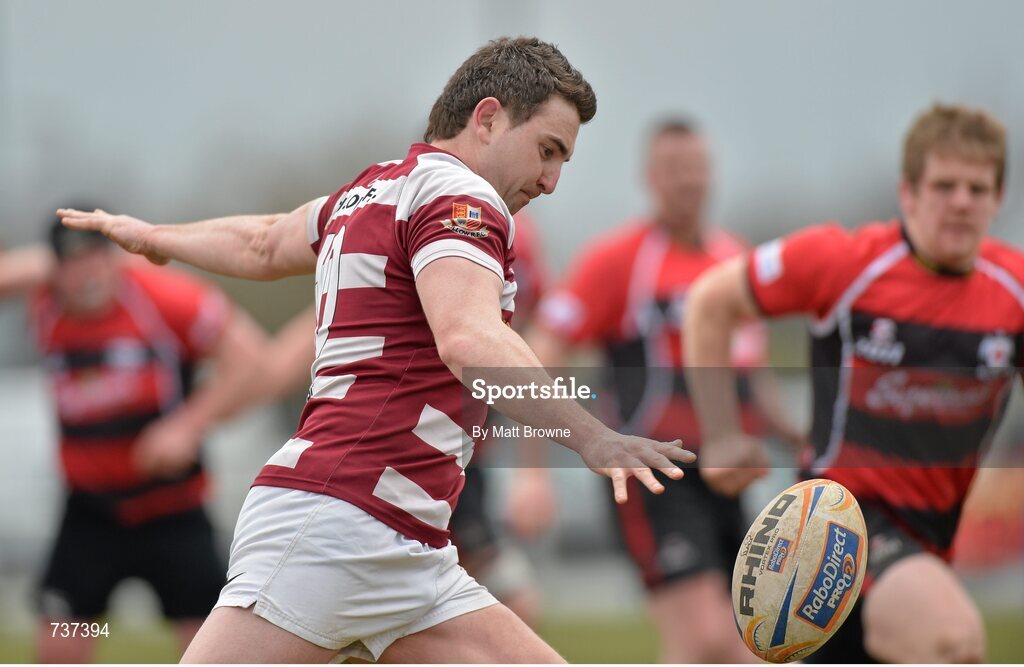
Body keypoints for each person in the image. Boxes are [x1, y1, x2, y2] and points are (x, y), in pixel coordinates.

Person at [59, 36, 696, 663]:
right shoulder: (463, 199)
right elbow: (469, 340)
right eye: (547, 150)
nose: (552, 180)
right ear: (489, 118)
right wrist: (593, 438)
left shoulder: (368, 191)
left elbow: (259, 243)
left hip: (406, 546)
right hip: (338, 525)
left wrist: (156, 238)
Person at [684, 103, 1024, 663]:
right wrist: (719, 434)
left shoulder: (1010, 294)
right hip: (838, 525)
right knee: (952, 641)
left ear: (997, 198)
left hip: (930, 543)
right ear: (908, 192)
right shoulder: (844, 263)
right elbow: (710, 302)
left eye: (977, 188)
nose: (961, 201)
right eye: (944, 185)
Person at [530, 118, 801, 663]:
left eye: (697, 169)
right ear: (650, 179)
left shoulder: (736, 261)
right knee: (702, 638)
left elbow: (753, 372)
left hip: (724, 481)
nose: (689, 182)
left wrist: (802, 442)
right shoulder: (618, 261)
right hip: (653, 476)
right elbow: (536, 356)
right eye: (675, 170)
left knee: (752, 650)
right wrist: (533, 474)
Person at [254, 212, 553, 627]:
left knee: (489, 604)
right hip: (386, 460)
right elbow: (312, 321)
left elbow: (530, 344)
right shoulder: (416, 217)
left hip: (452, 459)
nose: (548, 181)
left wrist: (532, 472)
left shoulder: (513, 235)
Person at [0, 217, 265, 663]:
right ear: (53, 270)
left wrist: (187, 425)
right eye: (72, 263)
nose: (87, 275)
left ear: (116, 259)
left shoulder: (162, 298)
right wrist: (60, 253)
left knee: (208, 644)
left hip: (172, 509)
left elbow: (253, 362)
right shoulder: (44, 304)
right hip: (90, 515)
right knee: (61, 640)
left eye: (97, 259)